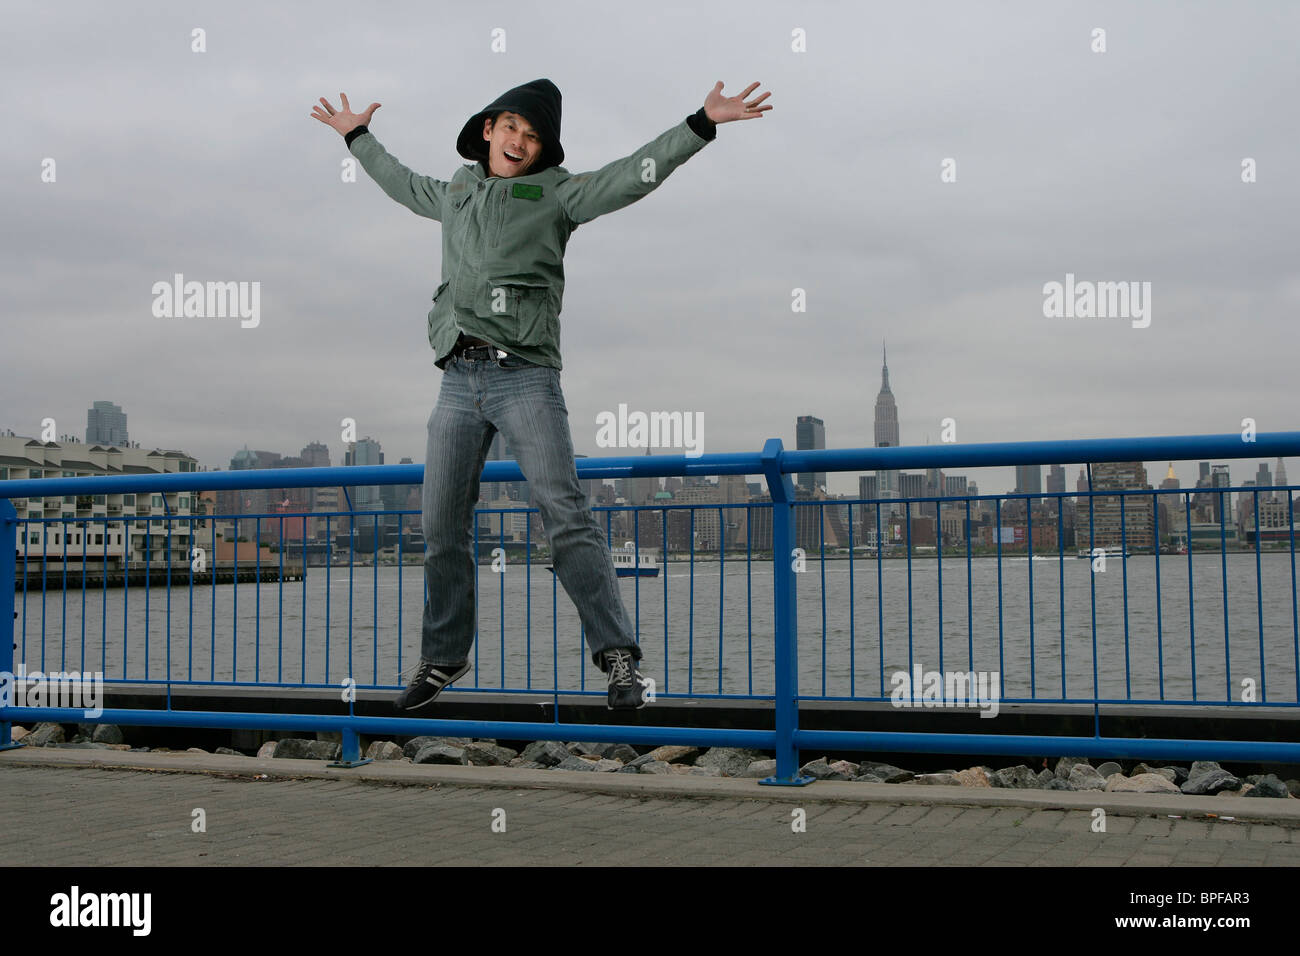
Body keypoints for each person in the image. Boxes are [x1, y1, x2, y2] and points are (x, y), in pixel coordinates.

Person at [312, 77, 772, 711]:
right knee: (440, 524)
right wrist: (357, 137)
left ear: (540, 149)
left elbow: (629, 176)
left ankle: (619, 662)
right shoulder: (456, 191)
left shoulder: (557, 195)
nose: (518, 141)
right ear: (487, 131)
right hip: (457, 380)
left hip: (525, 375)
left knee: (565, 517)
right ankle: (443, 659)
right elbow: (399, 180)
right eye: (510, 128)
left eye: (531, 136)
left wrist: (699, 123)